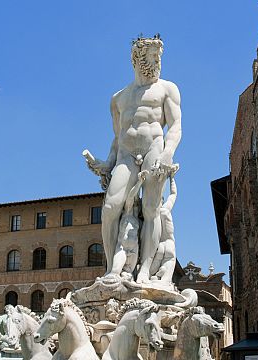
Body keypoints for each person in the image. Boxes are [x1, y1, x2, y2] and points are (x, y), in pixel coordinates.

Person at [85, 35, 182, 283]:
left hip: (154, 150)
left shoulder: (167, 88)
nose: (158, 61)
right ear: (138, 58)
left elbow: (175, 126)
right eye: (154, 56)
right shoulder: (118, 98)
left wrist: (168, 153)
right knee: (110, 208)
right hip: (126, 154)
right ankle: (111, 270)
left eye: (159, 57)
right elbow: (117, 137)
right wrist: (107, 163)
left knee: (151, 209)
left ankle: (145, 270)